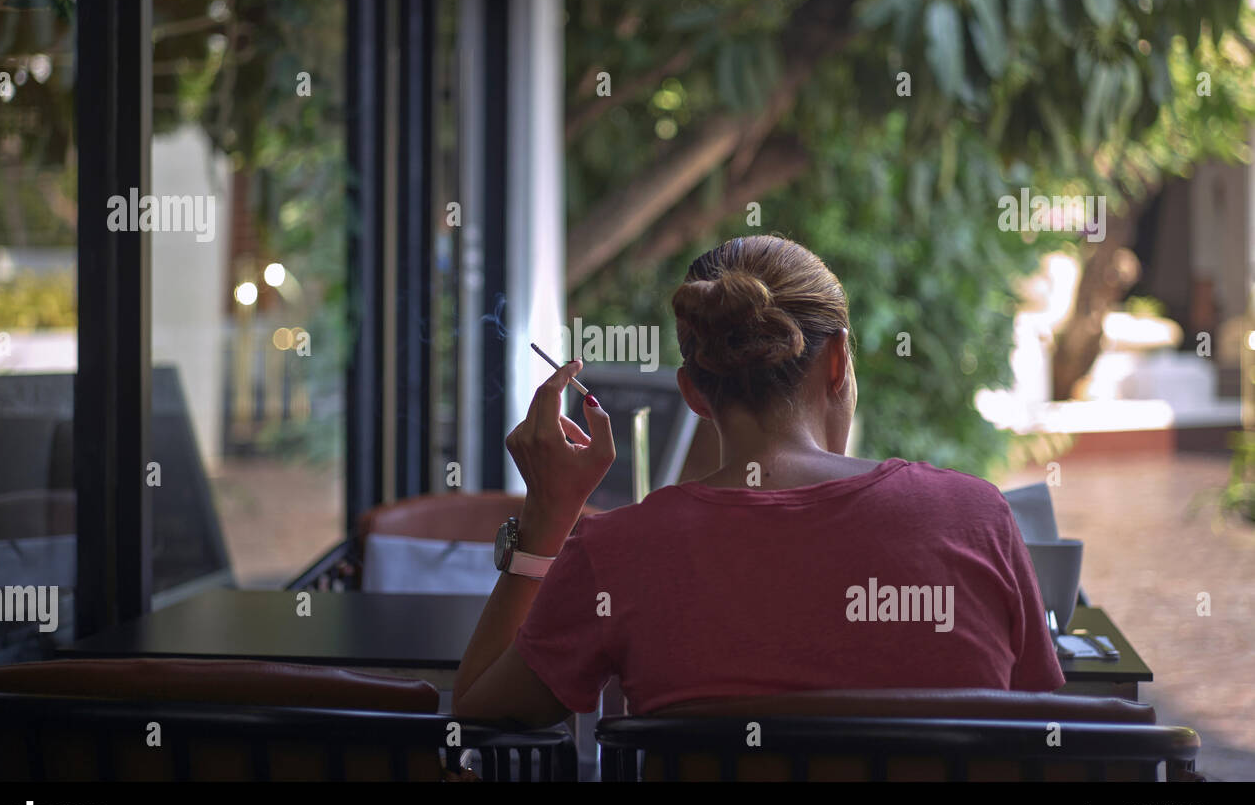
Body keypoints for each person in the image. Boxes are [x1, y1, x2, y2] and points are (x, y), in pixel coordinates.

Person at [453, 235, 1063, 725]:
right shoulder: (974, 515)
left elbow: (476, 708)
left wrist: (548, 518)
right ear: (837, 361)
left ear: (692, 393)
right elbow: (1048, 726)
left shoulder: (619, 553)